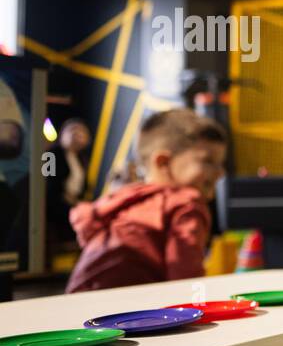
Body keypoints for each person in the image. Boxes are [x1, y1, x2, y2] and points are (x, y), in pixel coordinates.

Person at [65, 109, 226, 293]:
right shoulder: (186, 203)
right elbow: (185, 281)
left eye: (220, 163)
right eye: (208, 161)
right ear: (163, 162)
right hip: (122, 308)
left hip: (77, 301)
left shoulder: (124, 198)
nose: (220, 172)